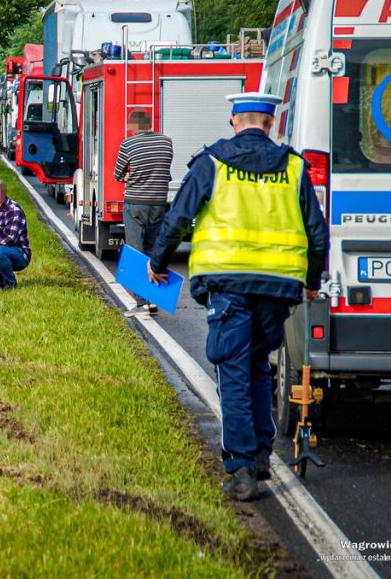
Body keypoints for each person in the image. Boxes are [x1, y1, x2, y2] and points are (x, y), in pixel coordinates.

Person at [147, 92, 329, 501]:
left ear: (234, 121)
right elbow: (317, 233)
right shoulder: (295, 167)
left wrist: (158, 261)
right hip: (278, 287)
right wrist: (312, 279)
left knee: (232, 370)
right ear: (270, 123)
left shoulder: (213, 162)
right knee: (258, 366)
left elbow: (178, 216)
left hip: (228, 285)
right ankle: (262, 453)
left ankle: (242, 467)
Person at [114, 109, 173, 315]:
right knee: (152, 250)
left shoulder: (128, 144)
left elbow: (118, 174)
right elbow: (165, 170)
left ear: (133, 127)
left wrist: (130, 178)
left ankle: (141, 303)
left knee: (136, 251)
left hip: (136, 203)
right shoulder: (167, 142)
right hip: (158, 203)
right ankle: (154, 299)